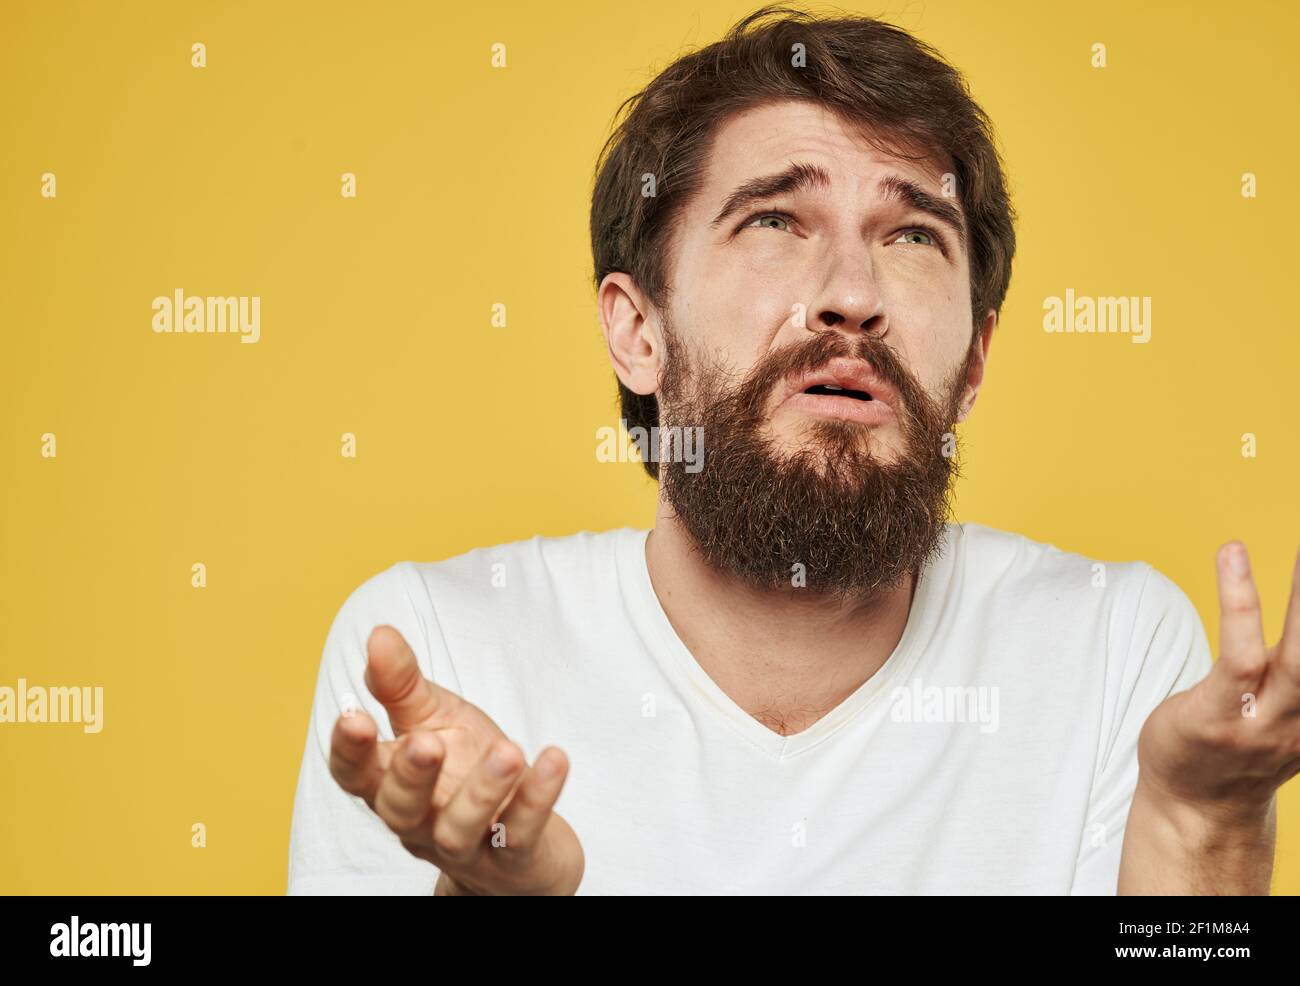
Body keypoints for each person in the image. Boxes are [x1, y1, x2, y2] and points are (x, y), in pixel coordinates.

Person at [287, 5, 1296, 895]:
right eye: (775, 218)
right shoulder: (433, 654)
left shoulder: (1112, 645)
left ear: (976, 358)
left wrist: (1201, 828)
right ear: (638, 332)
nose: (851, 292)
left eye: (911, 236)